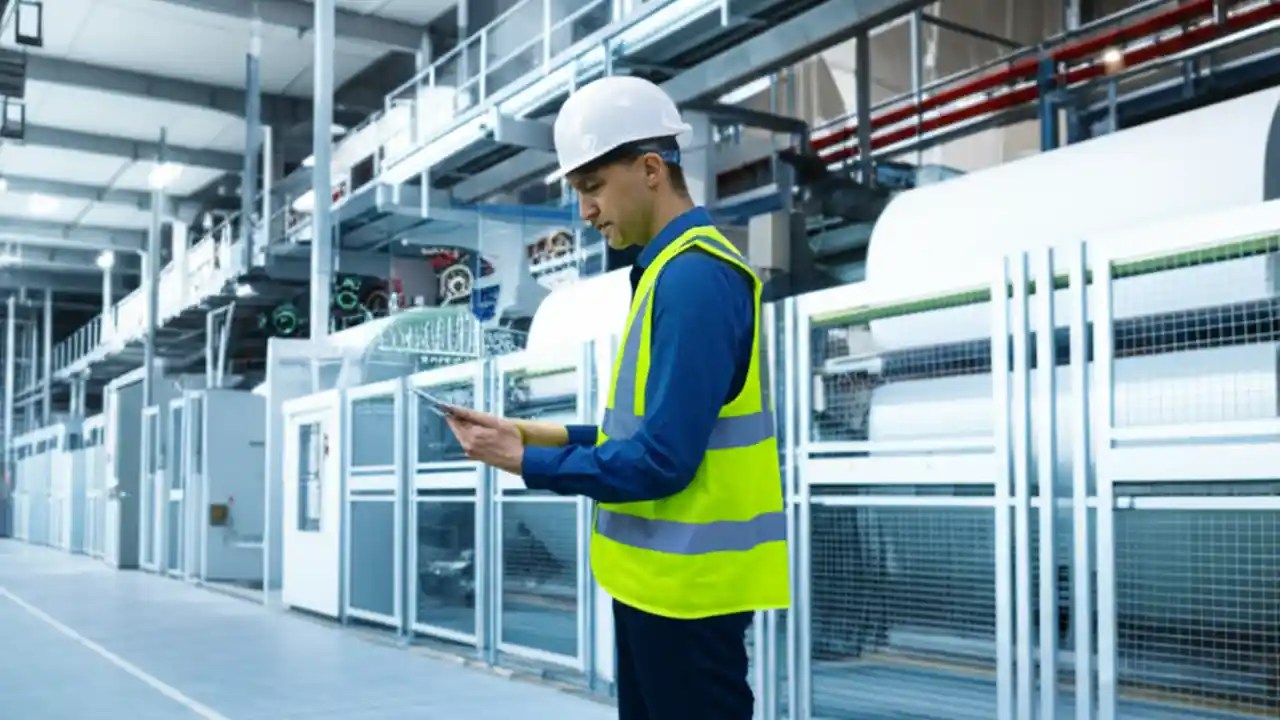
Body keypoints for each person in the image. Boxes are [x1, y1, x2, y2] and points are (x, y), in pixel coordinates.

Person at [442, 74, 789, 720]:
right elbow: (635, 432)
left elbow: (660, 459)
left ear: (651, 168)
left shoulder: (693, 279)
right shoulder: (663, 273)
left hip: (691, 596)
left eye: (593, 188)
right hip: (660, 591)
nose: (586, 211)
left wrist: (524, 463)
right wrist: (524, 433)